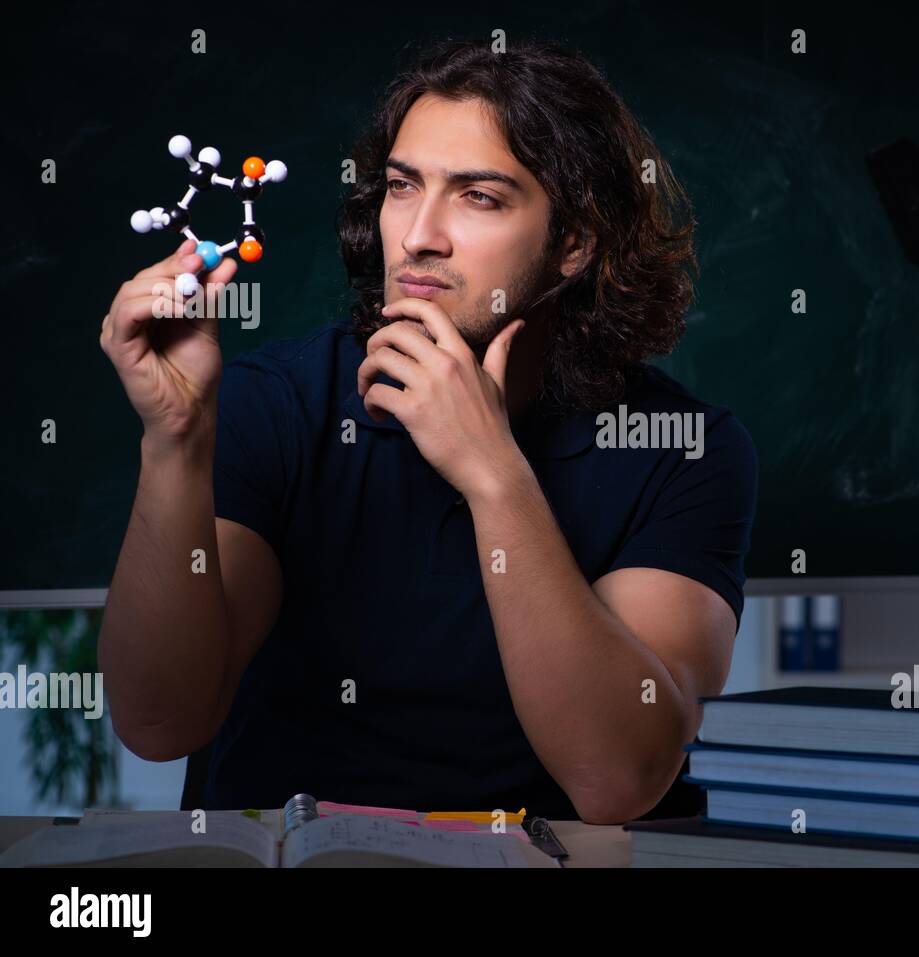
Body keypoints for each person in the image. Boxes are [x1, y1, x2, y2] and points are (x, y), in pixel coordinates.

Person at [98, 38, 757, 824]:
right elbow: (158, 722)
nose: (418, 235)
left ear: (574, 245)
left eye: (479, 197)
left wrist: (493, 473)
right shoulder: (274, 405)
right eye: (403, 187)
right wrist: (174, 440)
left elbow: (618, 776)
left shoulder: (683, 451)